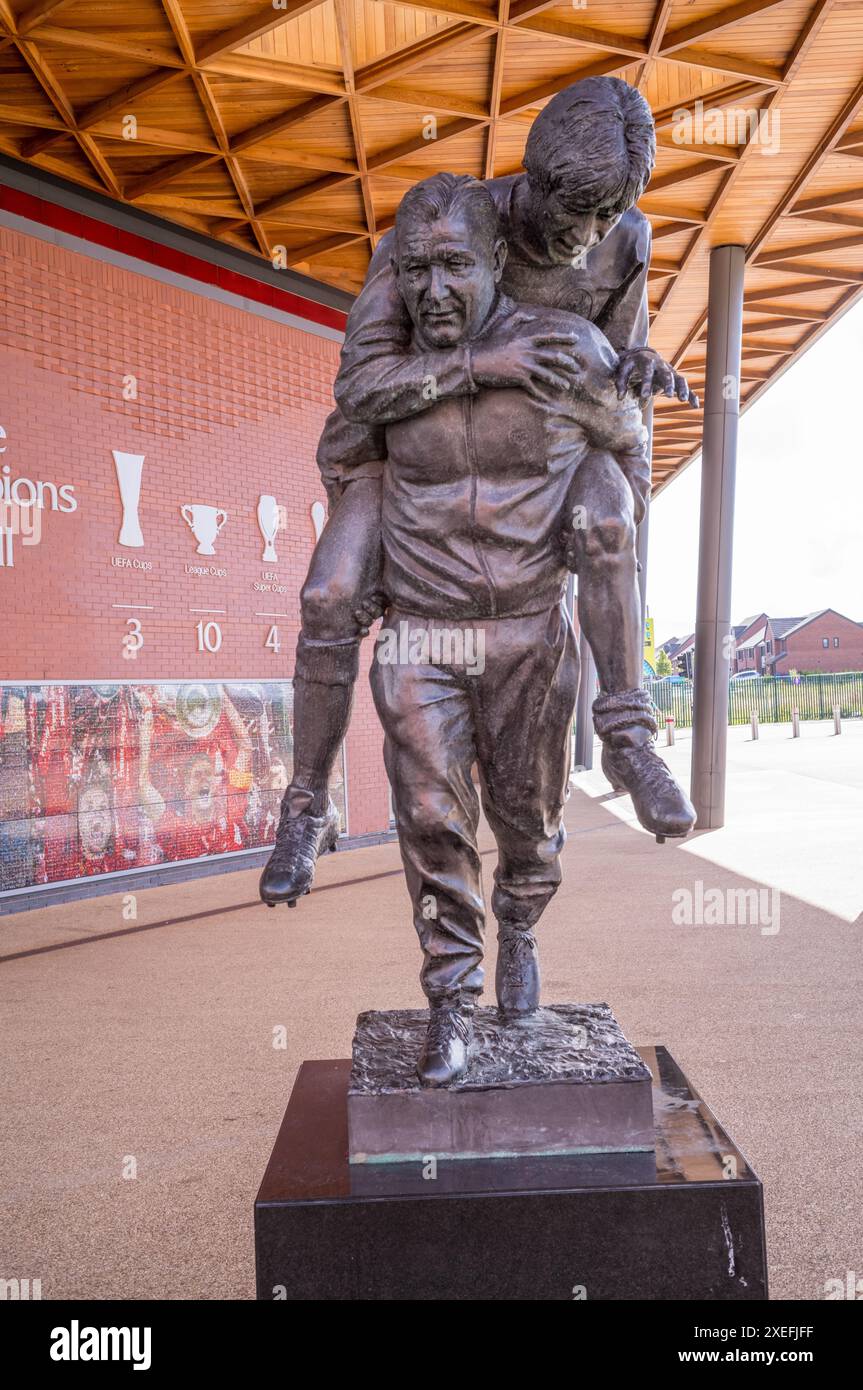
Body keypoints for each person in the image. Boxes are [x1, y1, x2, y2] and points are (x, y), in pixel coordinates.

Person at [259, 76, 698, 909]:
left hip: (539, 447)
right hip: (405, 446)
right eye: (575, 217)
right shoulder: (445, 227)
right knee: (328, 594)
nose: (588, 239)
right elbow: (365, 383)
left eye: (607, 217)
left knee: (609, 520)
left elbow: (608, 375)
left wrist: (632, 378)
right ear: (527, 188)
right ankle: (308, 801)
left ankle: (627, 732)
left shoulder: (622, 239)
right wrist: (479, 365)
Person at [360, 170, 658, 1085]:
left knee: (527, 824)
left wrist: (622, 420)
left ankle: (520, 926)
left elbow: (628, 449)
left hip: (528, 630)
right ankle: (450, 999)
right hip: (422, 632)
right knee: (428, 815)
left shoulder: (567, 342)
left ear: (496, 261)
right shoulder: (389, 352)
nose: (433, 289)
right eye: (420, 271)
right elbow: (352, 415)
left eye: (456, 266)